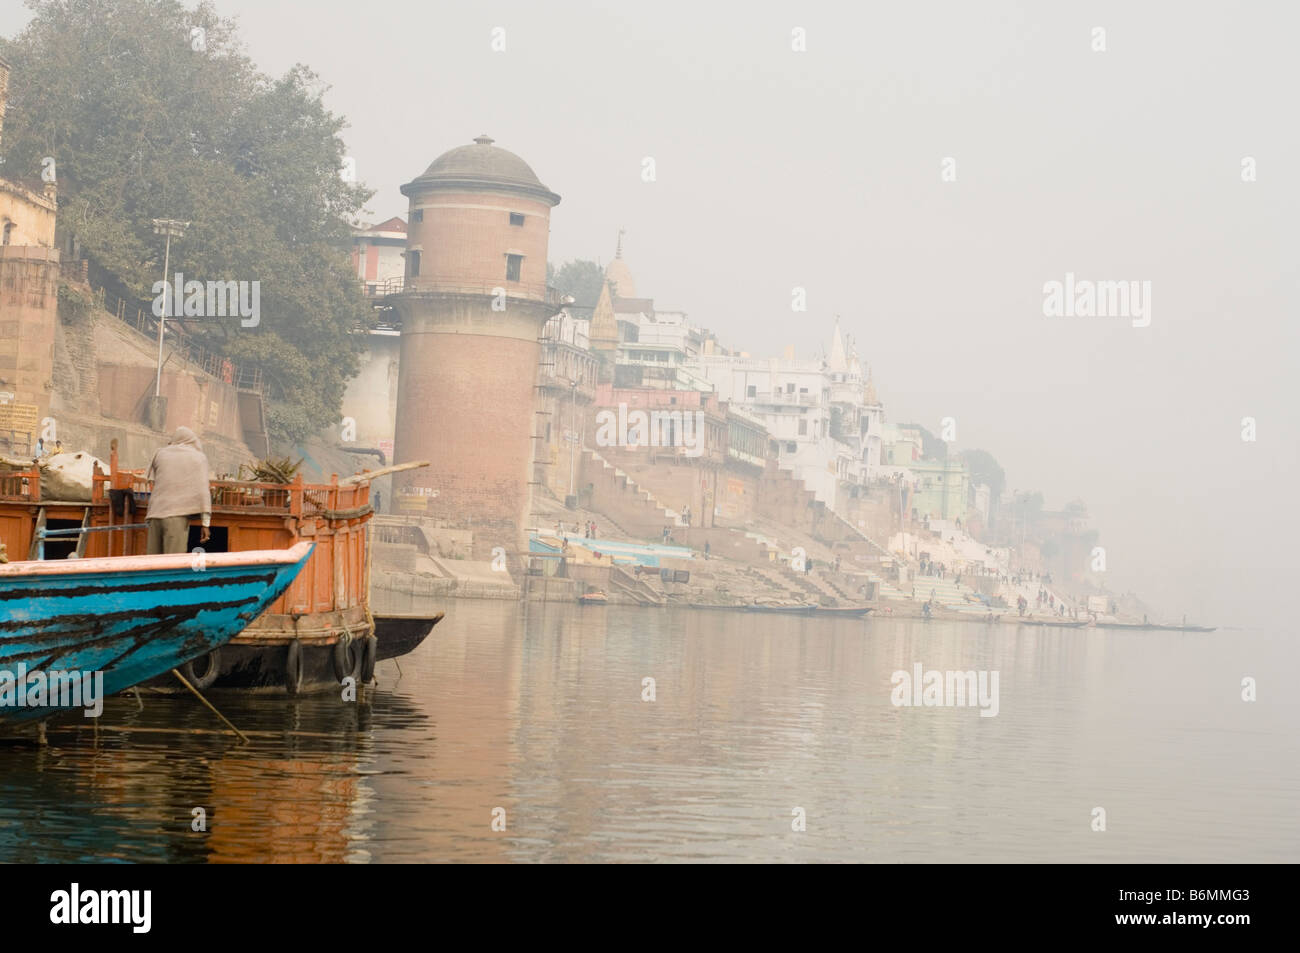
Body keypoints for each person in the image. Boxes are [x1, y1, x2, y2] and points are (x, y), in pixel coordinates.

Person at [144, 426, 211, 555]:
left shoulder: (160, 453)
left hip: (155, 514)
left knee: (152, 561)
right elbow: (203, 492)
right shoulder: (198, 457)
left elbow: (157, 481)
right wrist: (205, 524)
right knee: (172, 562)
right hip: (176, 517)